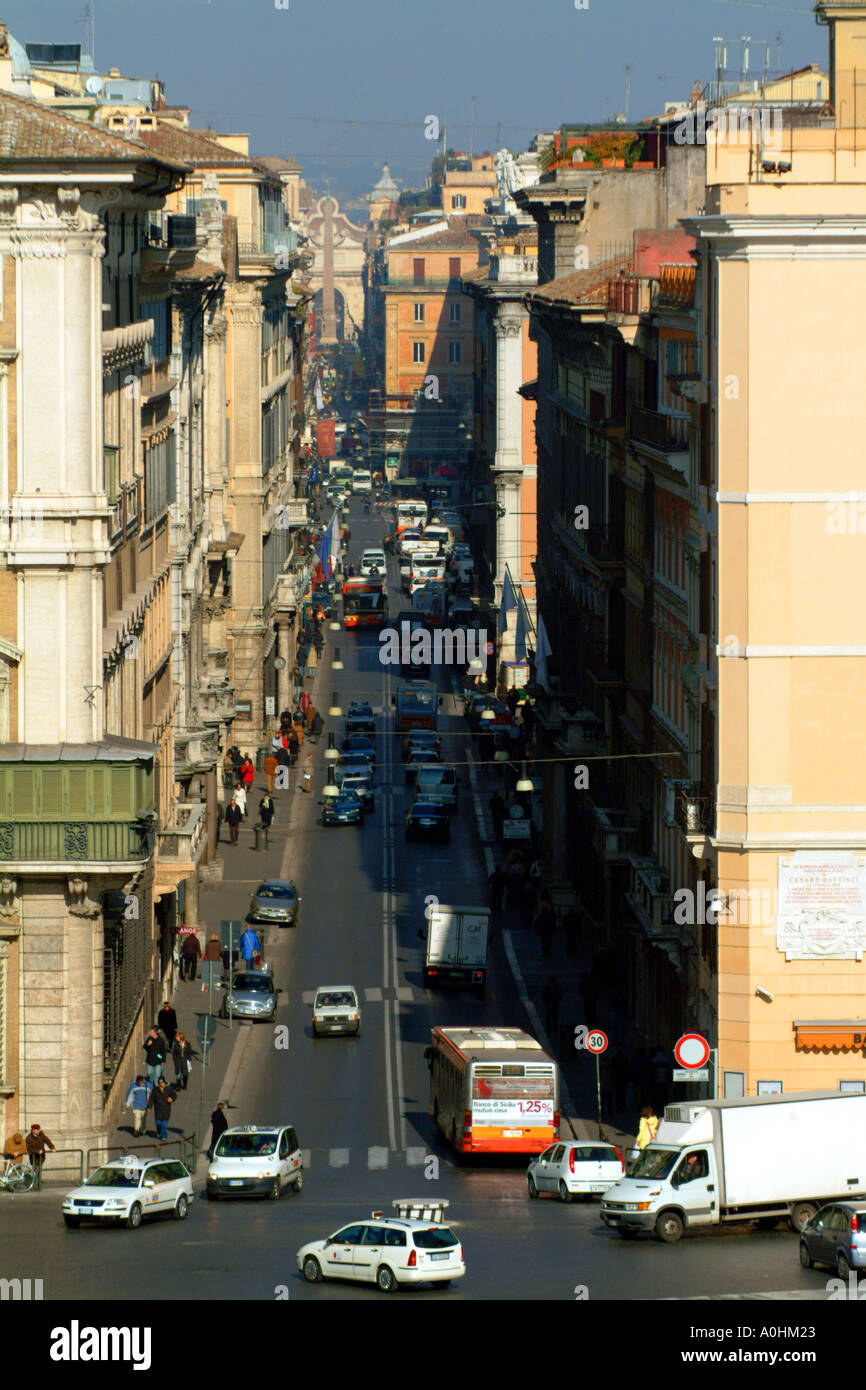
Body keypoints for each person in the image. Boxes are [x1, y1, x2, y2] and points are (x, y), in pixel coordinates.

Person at [25, 1124, 55, 1189]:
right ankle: (35, 1186)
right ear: (33, 1130)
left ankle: (37, 1185)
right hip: (34, 1157)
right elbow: (29, 1149)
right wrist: (37, 1151)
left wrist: (51, 1147)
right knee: (35, 1170)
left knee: (39, 1170)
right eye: (37, 1129)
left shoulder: (41, 1135)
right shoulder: (28, 1138)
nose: (39, 1130)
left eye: (39, 1129)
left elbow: (47, 1141)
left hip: (41, 1157)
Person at [147, 1078, 176, 1142]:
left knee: (164, 1124)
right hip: (158, 1110)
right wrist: (149, 1107)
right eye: (160, 1083)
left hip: (166, 1110)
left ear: (164, 1082)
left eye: (162, 1083)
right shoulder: (155, 1090)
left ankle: (164, 1136)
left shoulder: (169, 1089)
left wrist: (171, 1099)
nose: (161, 1084)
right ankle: (159, 1132)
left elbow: (174, 1095)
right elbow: (151, 1099)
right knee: (158, 1123)